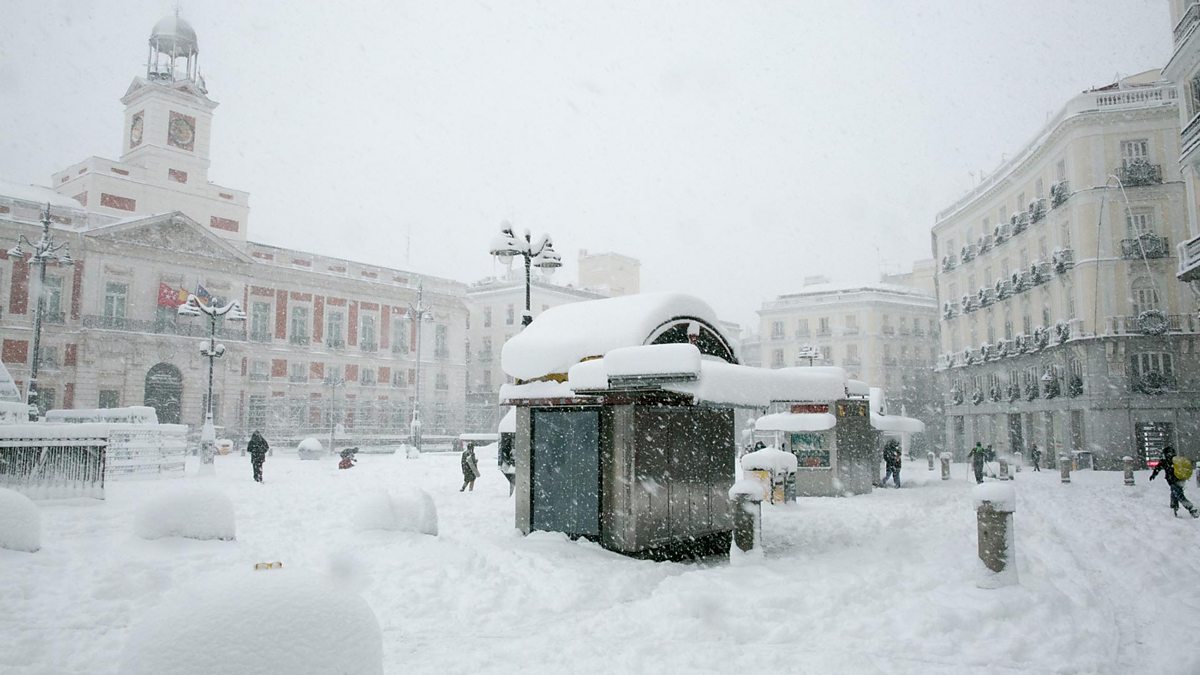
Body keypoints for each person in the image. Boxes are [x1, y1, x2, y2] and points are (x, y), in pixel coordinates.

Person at [1149, 445, 1199, 518]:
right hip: (1181, 480)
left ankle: (1191, 509)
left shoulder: (1166, 461)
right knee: (1174, 494)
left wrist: (1153, 475)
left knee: (1179, 496)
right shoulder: (1176, 460)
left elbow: (1157, 468)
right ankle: (1173, 510)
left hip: (1174, 481)